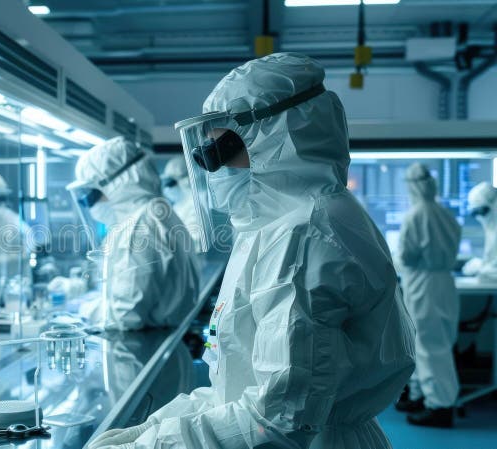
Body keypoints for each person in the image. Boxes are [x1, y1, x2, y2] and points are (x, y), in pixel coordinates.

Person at [87, 53, 415, 449]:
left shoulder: (306, 235)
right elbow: (240, 386)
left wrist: (154, 445)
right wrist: (153, 428)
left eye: (221, 146)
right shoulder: (283, 223)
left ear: (277, 137)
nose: (213, 166)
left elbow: (277, 420)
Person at [68, 137, 199, 330]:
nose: (91, 203)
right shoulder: (157, 212)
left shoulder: (139, 229)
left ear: (118, 184)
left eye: (94, 193)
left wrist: (84, 310)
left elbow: (126, 315)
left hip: (146, 345)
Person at [394, 163, 461, 427]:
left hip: (423, 284)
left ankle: (440, 407)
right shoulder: (446, 215)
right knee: (433, 345)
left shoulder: (415, 215)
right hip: (444, 283)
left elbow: (408, 255)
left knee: (429, 347)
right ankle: (424, 396)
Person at [162, 156, 202, 249]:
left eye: (171, 183)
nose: (168, 188)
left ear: (186, 180)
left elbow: (195, 240)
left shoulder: (194, 205)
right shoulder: (178, 206)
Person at [463, 181, 497, 279]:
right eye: (475, 213)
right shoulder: (491, 227)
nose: (480, 217)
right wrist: (484, 264)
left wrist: (482, 267)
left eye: (482, 211)